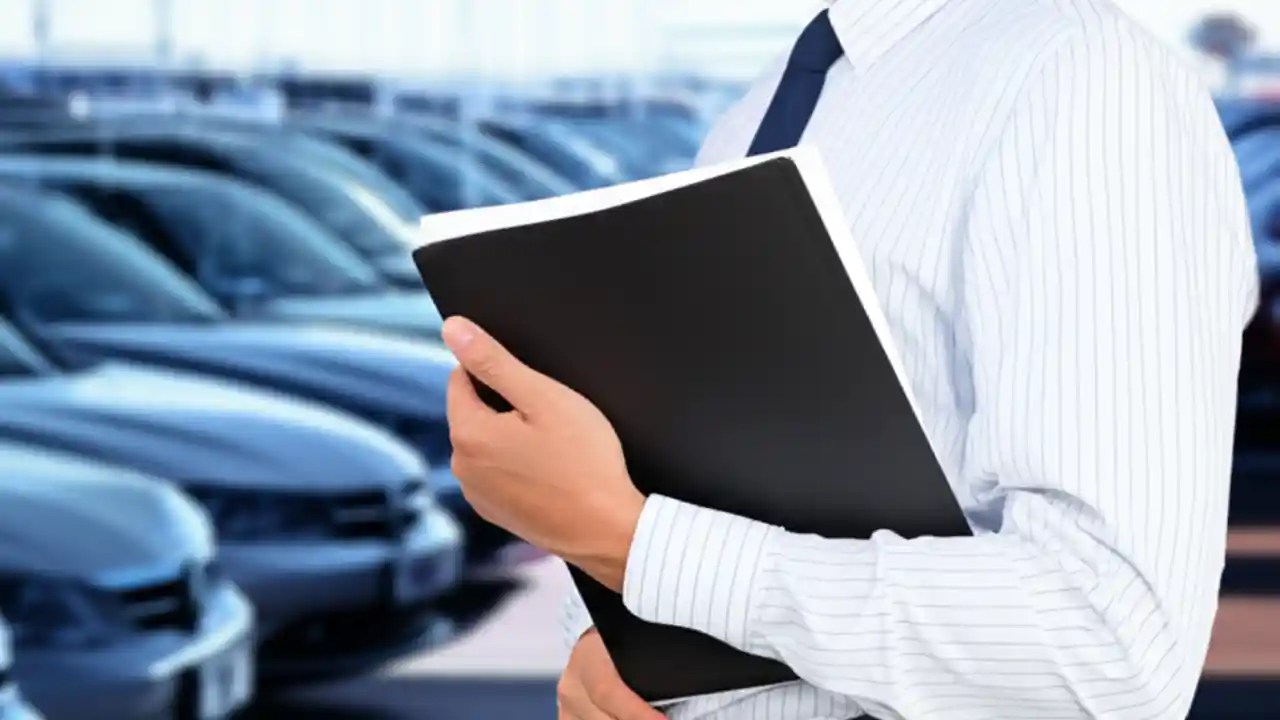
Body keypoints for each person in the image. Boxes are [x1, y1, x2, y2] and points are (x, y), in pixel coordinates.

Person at [438, 0, 1259, 717]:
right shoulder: (762, 111)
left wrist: (637, 546)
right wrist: (610, 643)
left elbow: (1111, 650)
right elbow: (721, 474)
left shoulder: (1082, 75)